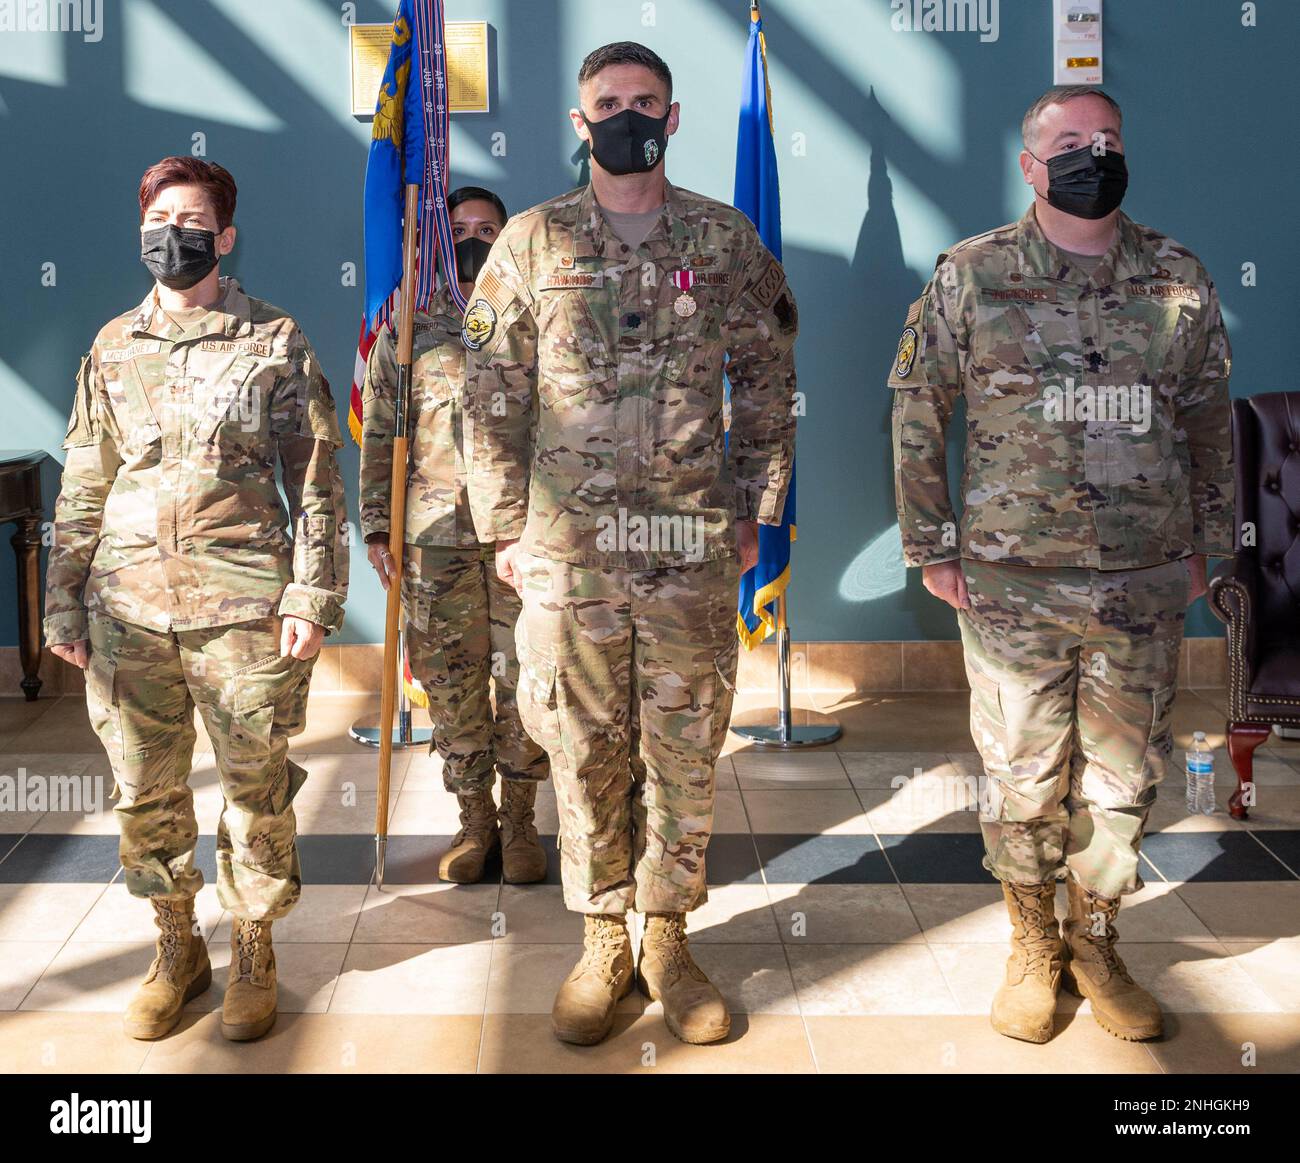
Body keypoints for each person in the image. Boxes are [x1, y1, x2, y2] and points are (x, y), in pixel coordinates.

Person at [463, 42, 798, 1046]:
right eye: (607, 103)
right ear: (580, 123)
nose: (625, 116)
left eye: (643, 101)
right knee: (582, 745)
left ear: (674, 114)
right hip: (569, 549)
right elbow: (490, 397)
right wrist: (503, 531)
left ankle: (667, 934)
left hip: (688, 542)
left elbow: (771, 379)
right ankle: (601, 933)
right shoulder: (531, 241)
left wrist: (752, 507)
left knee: (684, 746)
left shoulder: (723, 238)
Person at [889, 86, 1233, 1043]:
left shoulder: (1176, 274)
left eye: (1111, 138)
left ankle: (1099, 937)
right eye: (1072, 142)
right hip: (1013, 579)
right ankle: (1033, 943)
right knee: (1022, 775)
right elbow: (918, 409)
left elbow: (1209, 419)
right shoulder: (973, 274)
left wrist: (1210, 540)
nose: (1097, 154)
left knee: (1124, 775)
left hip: (1146, 573)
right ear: (1030, 166)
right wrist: (932, 544)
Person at [44, 156, 349, 1042]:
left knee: (255, 790)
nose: (171, 232)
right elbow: (84, 484)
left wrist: (312, 593)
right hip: (125, 613)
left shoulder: (275, 340)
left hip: (243, 612)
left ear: (224, 236)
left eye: (192, 218)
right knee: (145, 790)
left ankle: (254, 949)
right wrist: (64, 603)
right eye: (158, 215)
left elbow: (319, 481)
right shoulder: (110, 347)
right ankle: (176, 948)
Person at [359, 185, 549, 885]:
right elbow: (380, 434)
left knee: (525, 680)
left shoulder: (534, 320)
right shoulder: (407, 333)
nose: (473, 238)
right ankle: (476, 821)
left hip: (519, 541)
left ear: (508, 237)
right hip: (433, 537)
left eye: (487, 228)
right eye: (459, 228)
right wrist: (378, 525)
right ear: (437, 242)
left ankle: (523, 819)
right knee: (452, 683)